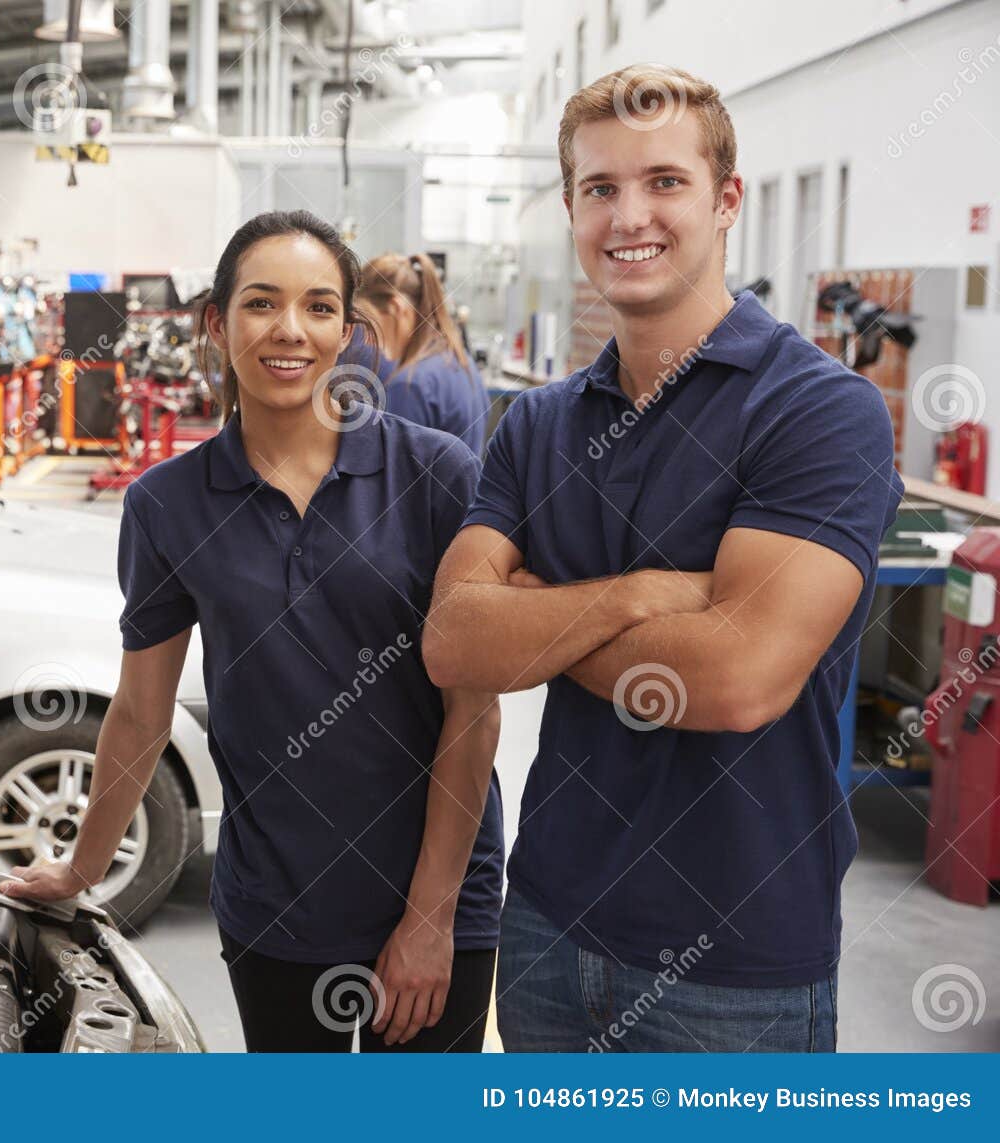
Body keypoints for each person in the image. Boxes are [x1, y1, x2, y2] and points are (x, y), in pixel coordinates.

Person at [423, 64, 902, 1052]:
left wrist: (545, 622)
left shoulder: (817, 411)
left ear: (726, 201)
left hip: (735, 971)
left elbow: (736, 681)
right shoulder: (538, 425)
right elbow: (454, 643)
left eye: (663, 182)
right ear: (569, 208)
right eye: (599, 188)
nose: (627, 214)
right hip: (548, 930)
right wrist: (643, 599)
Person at [2, 210, 504, 1053]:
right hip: (280, 898)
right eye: (262, 303)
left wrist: (428, 916)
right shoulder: (169, 502)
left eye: (317, 307)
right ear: (217, 322)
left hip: (437, 891)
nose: (289, 331)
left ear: (348, 330)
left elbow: (475, 712)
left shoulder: (434, 476)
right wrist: (83, 867)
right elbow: (139, 712)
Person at [339, 252, 490, 454]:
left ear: (396, 308)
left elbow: (393, 477)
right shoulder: (460, 361)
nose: (367, 338)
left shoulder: (411, 385)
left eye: (370, 322)